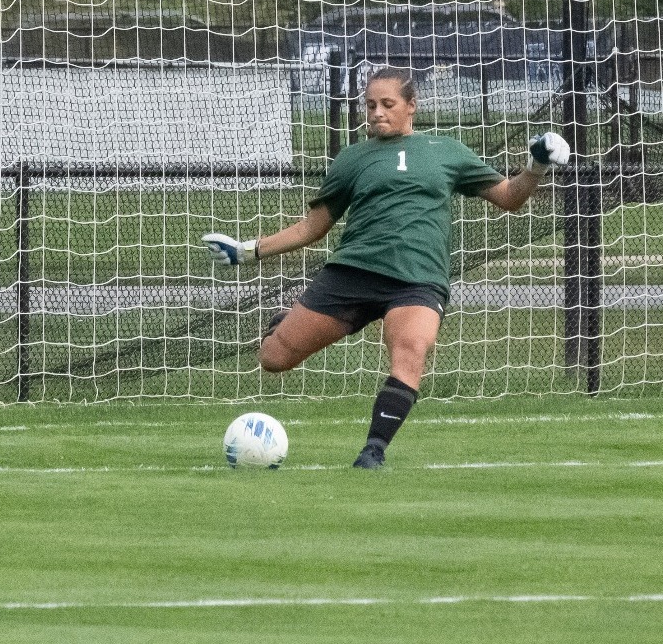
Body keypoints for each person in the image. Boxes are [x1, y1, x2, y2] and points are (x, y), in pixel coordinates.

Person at [201, 66, 569, 468]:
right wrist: (247, 251)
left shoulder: (447, 151)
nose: (377, 112)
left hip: (418, 278)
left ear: (411, 105)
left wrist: (535, 166)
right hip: (353, 272)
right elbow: (312, 227)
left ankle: (373, 451)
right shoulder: (352, 158)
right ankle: (285, 322)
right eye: (370, 104)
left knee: (410, 352)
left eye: (387, 104)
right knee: (273, 358)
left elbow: (510, 197)